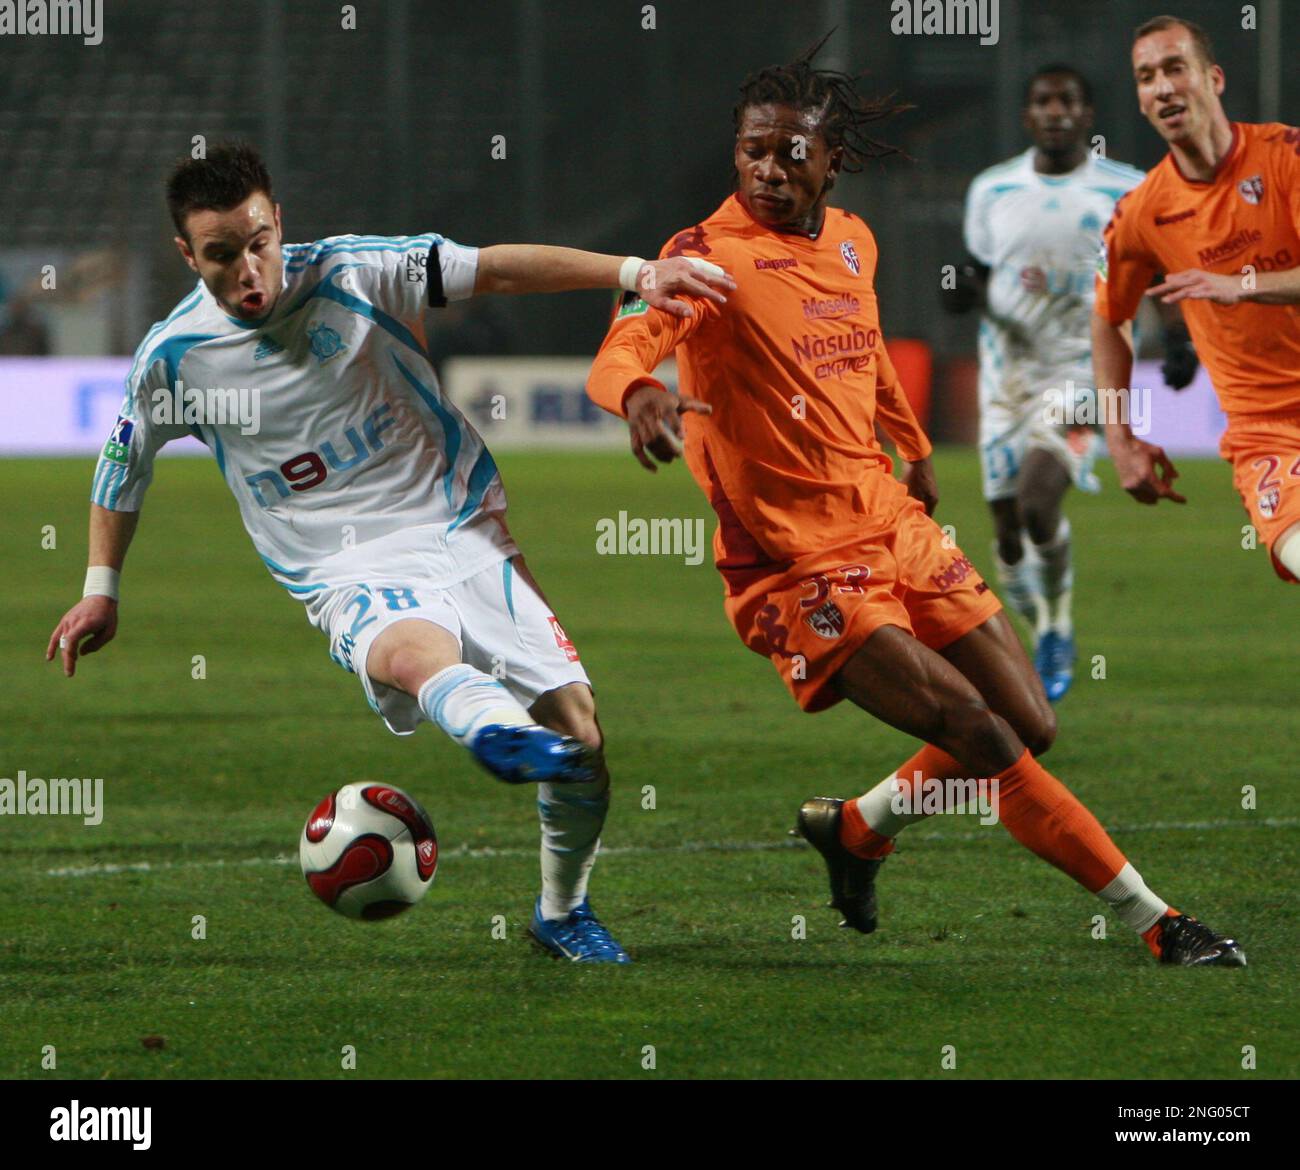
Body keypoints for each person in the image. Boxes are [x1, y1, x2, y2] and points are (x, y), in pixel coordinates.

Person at [587, 41, 1244, 966]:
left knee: (1030, 724)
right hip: (797, 564)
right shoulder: (702, 257)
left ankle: (857, 829)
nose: (769, 172)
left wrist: (920, 450)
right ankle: (1157, 923)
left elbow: (858, 353)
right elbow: (625, 344)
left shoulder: (854, 238)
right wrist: (642, 394)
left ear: (831, 159)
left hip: (890, 518)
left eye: (790, 153)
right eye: (752, 152)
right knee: (978, 733)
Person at [44, 141, 734, 964]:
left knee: (581, 736)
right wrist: (100, 588)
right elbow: (123, 464)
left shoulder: (359, 272)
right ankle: (489, 731)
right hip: (341, 568)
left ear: (279, 225)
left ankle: (562, 911)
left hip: (460, 527)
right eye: (222, 256)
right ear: (187, 255)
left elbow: (498, 270)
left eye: (258, 242)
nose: (248, 269)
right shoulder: (173, 360)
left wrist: (634, 273)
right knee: (413, 653)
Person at [945, 64, 1153, 700]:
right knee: (1006, 525)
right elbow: (976, 273)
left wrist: (1174, 336)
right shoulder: (992, 189)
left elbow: (1157, 263)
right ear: (1027, 115)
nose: (1056, 111)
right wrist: (958, 291)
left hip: (1082, 368)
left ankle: (1059, 626)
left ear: (1088, 116)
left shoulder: (1129, 189)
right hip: (1008, 373)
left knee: (1039, 501)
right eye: (1043, 101)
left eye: (1068, 101)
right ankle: (1037, 622)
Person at [1093, 14, 1300, 585]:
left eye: (1174, 68)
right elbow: (1110, 319)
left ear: (1213, 78)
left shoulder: (1286, 156)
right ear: (1139, 100)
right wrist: (1121, 440)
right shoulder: (1141, 213)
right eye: (1145, 77)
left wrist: (1242, 285)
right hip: (1267, 434)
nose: (1161, 87)